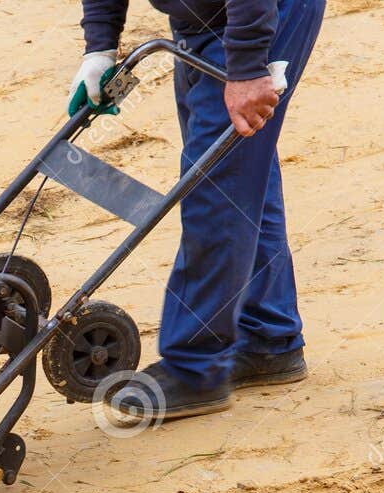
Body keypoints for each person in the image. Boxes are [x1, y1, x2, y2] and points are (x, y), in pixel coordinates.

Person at [69, 0, 326, 420]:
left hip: (262, 13)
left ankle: (195, 367)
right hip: (201, 17)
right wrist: (100, 49)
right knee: (237, 167)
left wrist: (246, 66)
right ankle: (267, 336)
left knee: (214, 183)